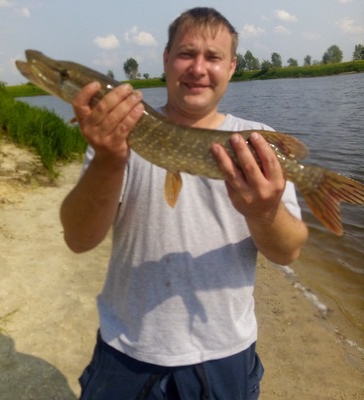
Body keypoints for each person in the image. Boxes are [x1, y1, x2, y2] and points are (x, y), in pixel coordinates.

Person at [60, 7, 308, 400]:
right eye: (186, 54)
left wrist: (264, 212)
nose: (198, 68)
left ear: (232, 66)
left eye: (213, 57)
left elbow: (288, 251)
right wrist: (108, 158)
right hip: (127, 347)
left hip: (225, 351)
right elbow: (78, 239)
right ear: (165, 59)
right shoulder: (116, 136)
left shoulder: (258, 140)